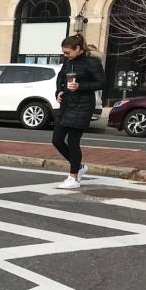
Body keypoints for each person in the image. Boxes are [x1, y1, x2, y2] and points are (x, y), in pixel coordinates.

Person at [52, 34, 105, 190]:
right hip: (67, 104)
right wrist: (59, 92)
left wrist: (80, 86)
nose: (65, 55)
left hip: (82, 106)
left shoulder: (92, 62)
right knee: (57, 140)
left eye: (67, 52)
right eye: (64, 52)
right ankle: (79, 166)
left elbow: (101, 83)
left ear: (78, 48)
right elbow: (60, 78)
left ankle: (73, 177)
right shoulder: (67, 61)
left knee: (74, 142)